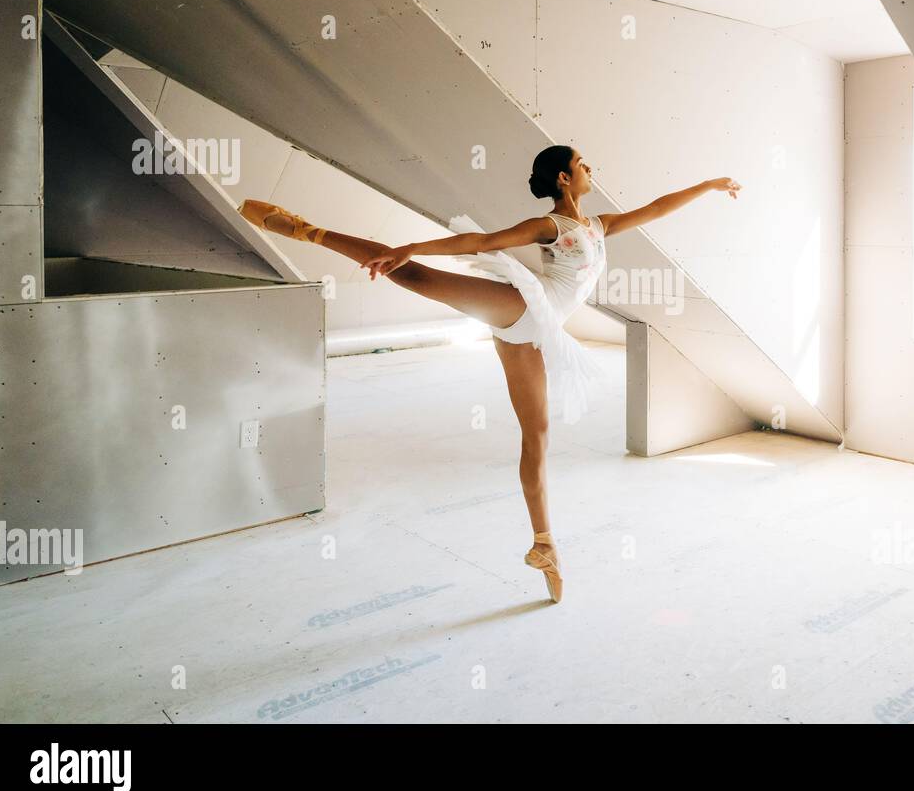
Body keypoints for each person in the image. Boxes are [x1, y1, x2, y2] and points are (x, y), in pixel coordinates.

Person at [239, 145, 741, 603]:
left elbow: (657, 206)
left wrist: (710, 185)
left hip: (533, 330)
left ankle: (543, 544)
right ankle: (305, 229)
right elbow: (481, 240)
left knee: (538, 437)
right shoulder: (552, 227)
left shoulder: (600, 225)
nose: (592, 168)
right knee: (414, 276)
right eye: (584, 163)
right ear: (565, 179)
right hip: (522, 304)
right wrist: (412, 247)